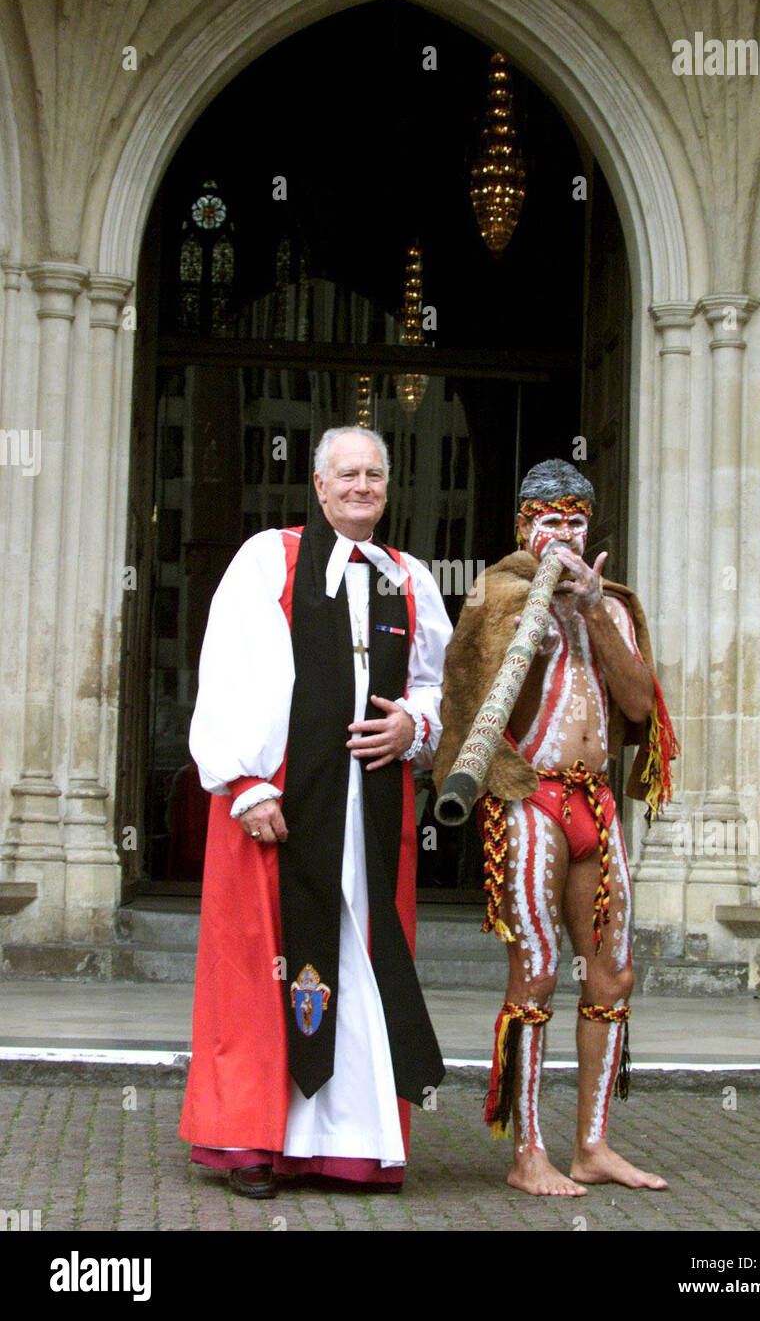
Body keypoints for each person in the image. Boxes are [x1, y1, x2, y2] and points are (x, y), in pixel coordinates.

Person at [180, 426, 452, 1197]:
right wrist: (244, 784)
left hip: (369, 809)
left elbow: (436, 684)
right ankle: (253, 1142)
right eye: (347, 474)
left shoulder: (411, 579)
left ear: (387, 488)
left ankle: (351, 1146)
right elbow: (229, 670)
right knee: (263, 969)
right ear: (319, 484)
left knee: (362, 963)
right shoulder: (269, 558)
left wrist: (414, 726)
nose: (362, 485)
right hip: (278, 803)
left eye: (375, 474)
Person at [433, 460, 678, 1197]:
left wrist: (596, 611)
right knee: (535, 973)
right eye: (550, 520)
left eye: (575, 521)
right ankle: (526, 1154)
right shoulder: (496, 593)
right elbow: (469, 695)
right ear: (523, 527)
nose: (563, 534)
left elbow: (638, 706)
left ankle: (593, 1146)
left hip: (594, 802)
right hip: (525, 795)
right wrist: (530, 636)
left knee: (610, 974)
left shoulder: (615, 605)